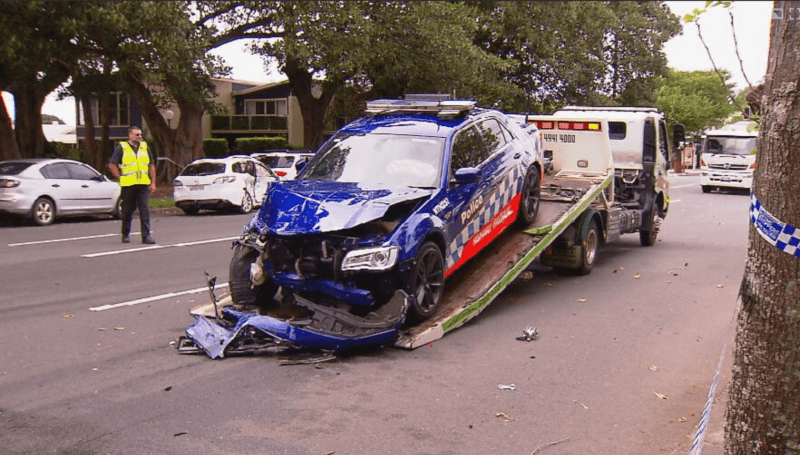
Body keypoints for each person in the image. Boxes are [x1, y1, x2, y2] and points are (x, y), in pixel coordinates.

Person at [108, 126, 156, 244]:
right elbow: (112, 164)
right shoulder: (122, 147)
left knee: (144, 210)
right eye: (137, 134)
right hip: (128, 185)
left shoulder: (145, 147)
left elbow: (151, 166)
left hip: (143, 184)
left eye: (140, 134)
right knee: (127, 211)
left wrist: (153, 183)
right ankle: (125, 234)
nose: (139, 136)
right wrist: (120, 177)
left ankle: (146, 236)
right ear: (130, 135)